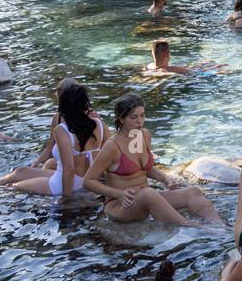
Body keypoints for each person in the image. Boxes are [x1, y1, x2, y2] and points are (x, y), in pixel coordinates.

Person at [82, 93, 222, 225]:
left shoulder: (143, 135)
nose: (139, 121)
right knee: (149, 193)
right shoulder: (112, 146)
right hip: (122, 205)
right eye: (133, 117)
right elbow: (88, 181)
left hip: (147, 199)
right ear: (121, 119)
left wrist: (165, 179)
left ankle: (220, 227)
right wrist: (118, 194)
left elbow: (146, 169)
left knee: (193, 192)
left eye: (142, 115)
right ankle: (193, 228)